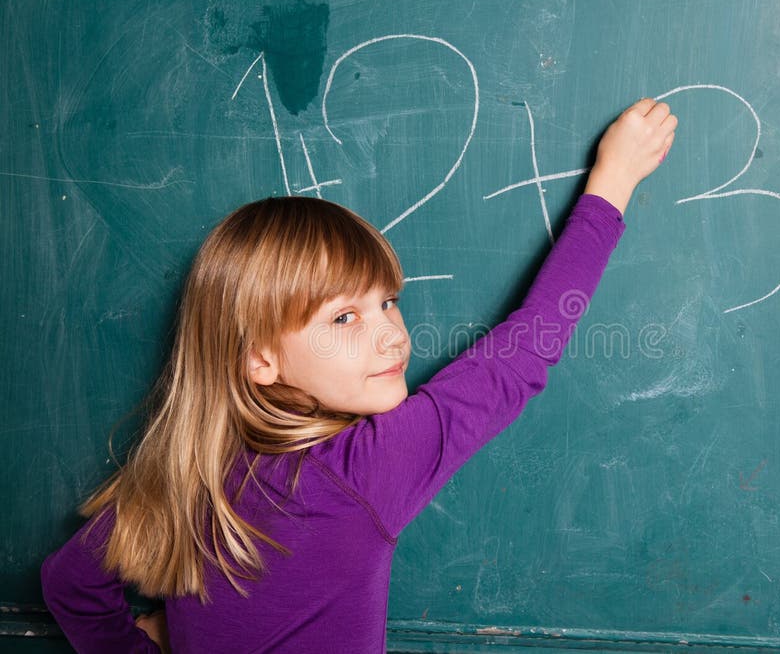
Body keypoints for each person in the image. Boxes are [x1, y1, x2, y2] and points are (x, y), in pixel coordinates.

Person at [41, 99, 677, 653]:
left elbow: (70, 584)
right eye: (344, 317)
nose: (391, 334)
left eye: (388, 302)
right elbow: (524, 352)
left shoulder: (181, 476)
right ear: (259, 359)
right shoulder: (360, 471)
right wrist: (613, 182)